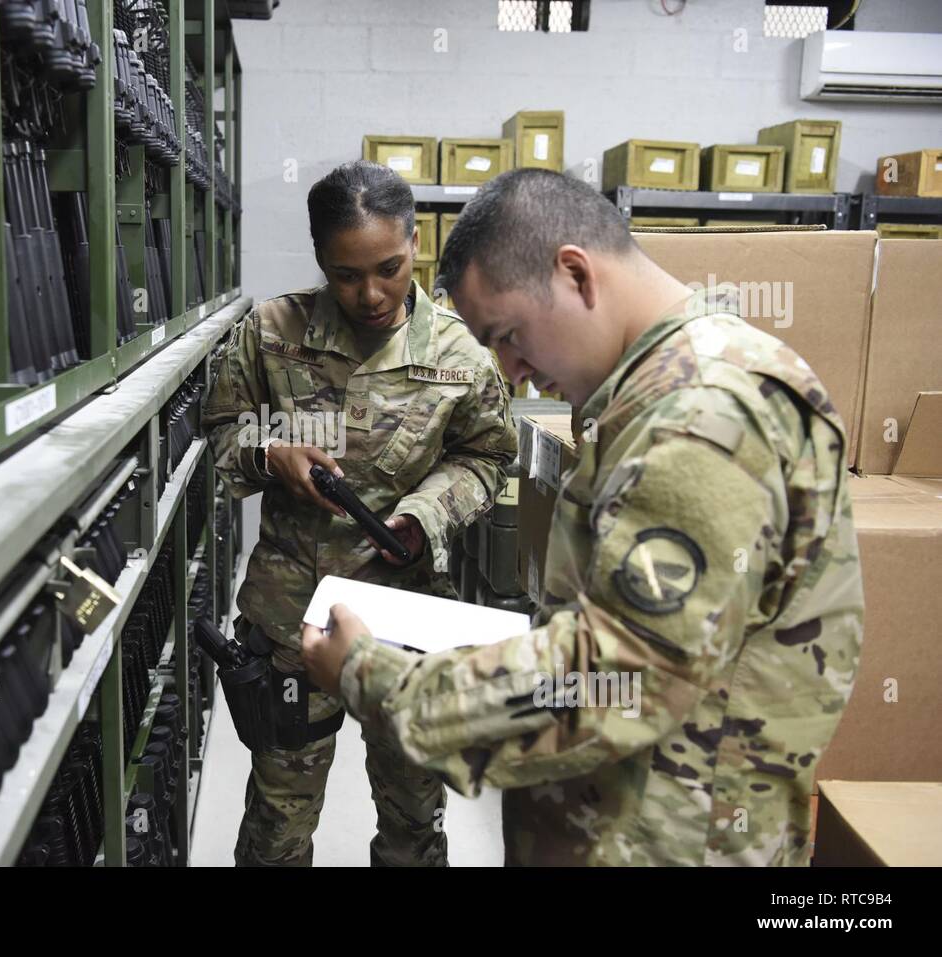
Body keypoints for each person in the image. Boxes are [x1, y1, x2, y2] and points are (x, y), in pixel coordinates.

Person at [302, 168, 864, 866]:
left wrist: (373, 674)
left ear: (575, 274)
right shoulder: (660, 390)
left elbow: (617, 677)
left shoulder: (702, 415)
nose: (509, 372)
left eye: (507, 335)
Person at [201, 161, 516, 866]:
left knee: (413, 822)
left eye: (390, 267)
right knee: (276, 829)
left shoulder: (461, 356)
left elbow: (487, 459)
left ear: (415, 245)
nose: (371, 293)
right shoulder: (273, 332)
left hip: (403, 622)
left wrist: (426, 513)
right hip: (291, 621)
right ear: (320, 260)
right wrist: (270, 454)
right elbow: (218, 432)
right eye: (346, 275)